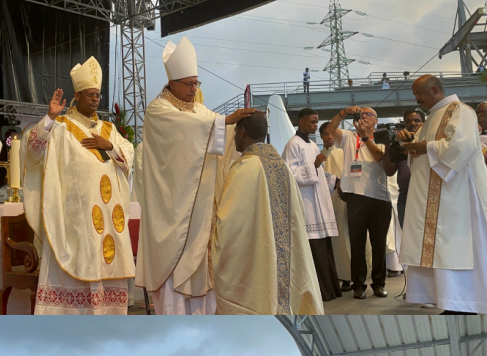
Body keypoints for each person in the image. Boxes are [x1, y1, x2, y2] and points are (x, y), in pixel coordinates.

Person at [135, 36, 257, 314]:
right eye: (188, 84)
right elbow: (189, 130)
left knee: (204, 278)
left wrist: (244, 130)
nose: (193, 89)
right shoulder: (158, 110)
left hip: (202, 210)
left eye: (196, 83)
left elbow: (215, 139)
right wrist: (224, 121)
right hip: (173, 210)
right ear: (171, 83)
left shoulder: (201, 111)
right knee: (175, 279)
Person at [21, 57, 135, 314]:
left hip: (109, 217)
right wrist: (50, 116)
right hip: (76, 218)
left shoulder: (108, 129)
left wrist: (111, 146)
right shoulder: (60, 127)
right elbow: (34, 149)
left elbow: (128, 155)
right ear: (77, 96)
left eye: (98, 95)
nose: (96, 100)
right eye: (90, 95)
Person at [398, 75, 487, 315]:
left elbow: (462, 147)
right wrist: (413, 146)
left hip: (458, 195)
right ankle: (449, 300)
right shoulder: (430, 119)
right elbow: (424, 153)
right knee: (439, 249)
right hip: (433, 197)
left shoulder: (460, 111)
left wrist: (426, 147)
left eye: (419, 93)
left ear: (434, 89)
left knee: (455, 247)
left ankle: (467, 301)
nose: (416, 99)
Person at [212, 111, 324, 314]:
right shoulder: (282, 166)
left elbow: (229, 226)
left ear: (243, 132)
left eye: (236, 131)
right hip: (287, 259)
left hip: (259, 263)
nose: (235, 137)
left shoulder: (243, 168)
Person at [323, 105, 398, 299]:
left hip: (380, 197)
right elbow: (330, 130)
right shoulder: (348, 136)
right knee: (357, 244)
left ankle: (379, 284)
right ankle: (358, 285)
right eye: (361, 114)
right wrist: (342, 113)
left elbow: (381, 159)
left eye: (368, 115)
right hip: (356, 197)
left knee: (378, 244)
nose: (363, 117)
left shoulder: (383, 138)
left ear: (376, 120)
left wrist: (365, 137)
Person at [282, 108, 342, 302]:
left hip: (319, 204)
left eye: (317, 122)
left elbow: (319, 173)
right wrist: (313, 166)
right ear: (301, 122)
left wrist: (335, 181)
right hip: (307, 205)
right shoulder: (293, 144)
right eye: (313, 122)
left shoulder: (312, 145)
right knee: (315, 250)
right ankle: (322, 293)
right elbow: (289, 175)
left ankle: (331, 290)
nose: (316, 125)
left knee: (325, 248)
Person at [477, 101, 487, 189]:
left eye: (483, 112)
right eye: (478, 113)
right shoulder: (474, 136)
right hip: (479, 180)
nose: (479, 115)